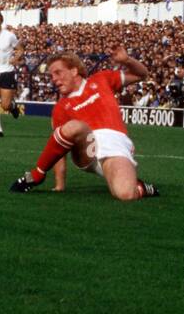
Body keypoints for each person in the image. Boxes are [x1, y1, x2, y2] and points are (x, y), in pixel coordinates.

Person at [9, 46, 160, 200]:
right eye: (51, 76)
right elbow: (58, 150)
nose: (54, 79)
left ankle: (141, 187)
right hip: (87, 149)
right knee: (75, 126)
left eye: (58, 73)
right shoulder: (60, 107)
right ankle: (37, 174)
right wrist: (59, 185)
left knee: (126, 194)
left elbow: (141, 74)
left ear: (74, 71)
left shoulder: (101, 79)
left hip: (115, 145)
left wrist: (127, 60)